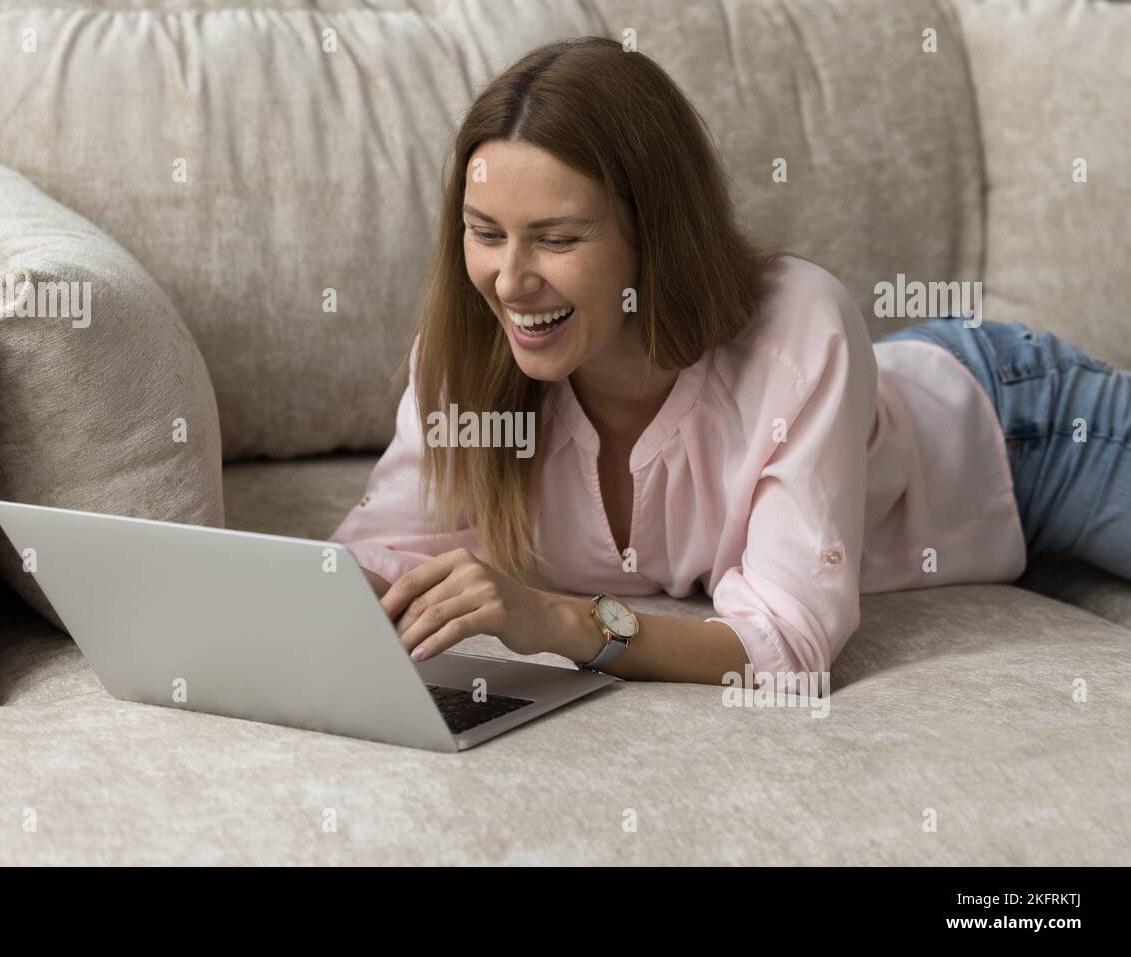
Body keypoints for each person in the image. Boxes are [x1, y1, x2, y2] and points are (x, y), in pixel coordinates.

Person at [330, 36, 1131, 692]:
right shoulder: (466, 358)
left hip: (1031, 430)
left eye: (559, 238)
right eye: (485, 231)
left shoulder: (798, 328)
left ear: (657, 236)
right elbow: (371, 562)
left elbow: (787, 646)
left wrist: (551, 619)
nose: (509, 281)